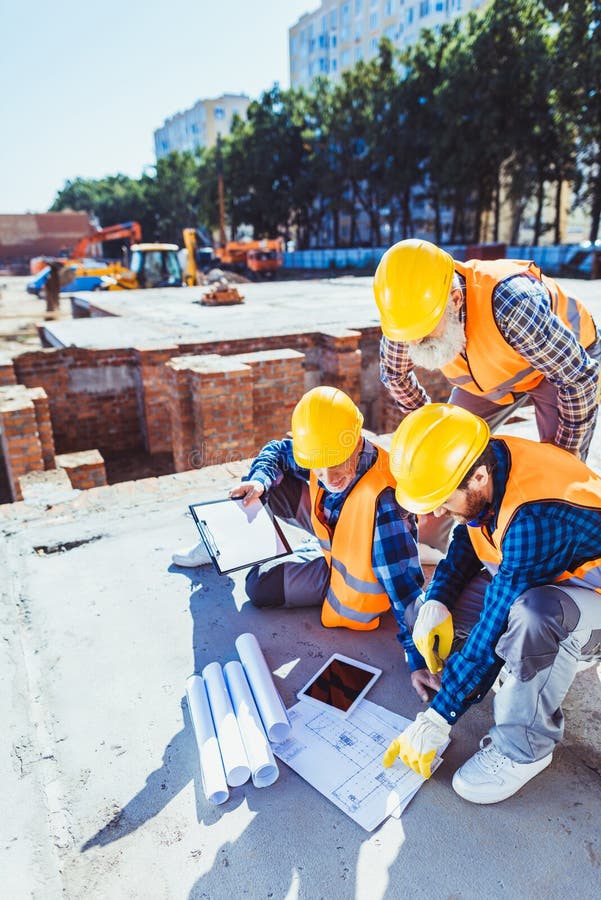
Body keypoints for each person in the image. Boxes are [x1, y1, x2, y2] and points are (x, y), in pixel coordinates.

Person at [382, 402, 601, 804]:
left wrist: (440, 716)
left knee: (532, 616)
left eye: (441, 500)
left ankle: (525, 748)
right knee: (458, 612)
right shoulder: (482, 461)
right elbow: (468, 538)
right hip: (554, 577)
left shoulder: (533, 517)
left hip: (592, 606)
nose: (433, 512)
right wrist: (439, 599)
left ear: (479, 477)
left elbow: (498, 620)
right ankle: (502, 675)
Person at [172, 386, 436, 697]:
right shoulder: (321, 453)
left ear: (356, 440)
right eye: (318, 467)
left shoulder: (386, 501)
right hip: (334, 534)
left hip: (351, 575)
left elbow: (404, 588)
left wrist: (418, 659)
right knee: (266, 488)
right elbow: (277, 451)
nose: (328, 477)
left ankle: (313, 554)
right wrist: (259, 481)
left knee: (258, 587)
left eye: (337, 464)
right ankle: (223, 542)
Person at [374, 239, 601, 462]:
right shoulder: (404, 315)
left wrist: (567, 456)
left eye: (424, 330)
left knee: (557, 464)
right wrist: (424, 420)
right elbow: (395, 373)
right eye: (407, 335)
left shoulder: (511, 304)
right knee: (450, 448)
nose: (413, 343)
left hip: (562, 364)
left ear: (455, 299)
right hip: (495, 374)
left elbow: (578, 379)